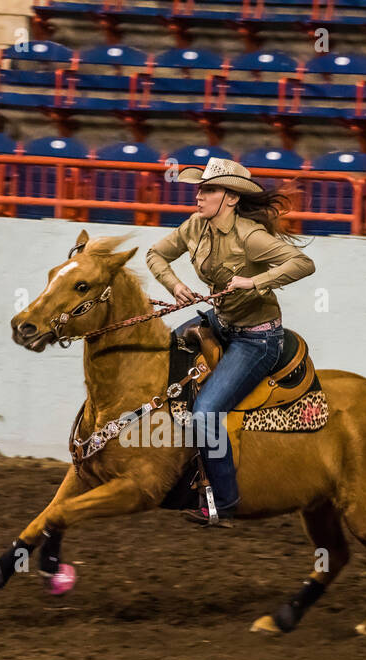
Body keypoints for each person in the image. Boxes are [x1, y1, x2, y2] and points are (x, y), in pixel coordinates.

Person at [146, 157, 315, 526]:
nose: (199, 195)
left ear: (231, 198)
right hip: (220, 323)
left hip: (257, 340)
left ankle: (223, 500)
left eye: (208, 189)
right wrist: (175, 286)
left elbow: (303, 263)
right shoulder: (194, 227)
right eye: (199, 188)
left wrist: (255, 282)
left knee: (206, 413)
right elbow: (156, 254)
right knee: (161, 361)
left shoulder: (250, 237)